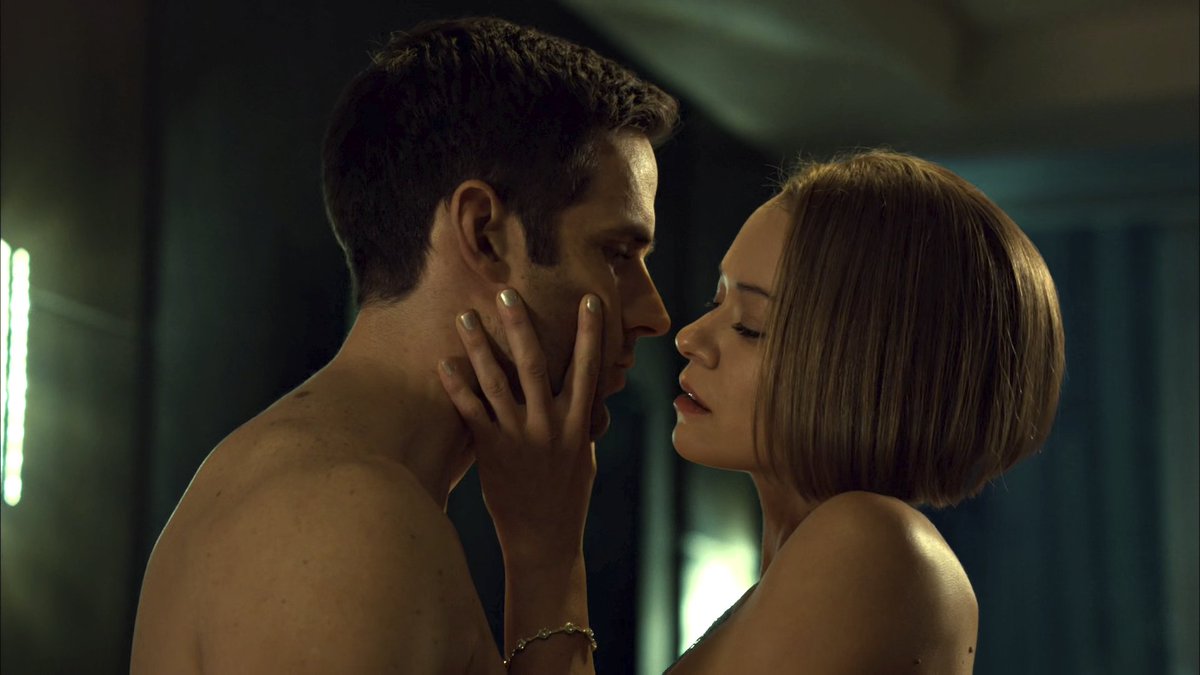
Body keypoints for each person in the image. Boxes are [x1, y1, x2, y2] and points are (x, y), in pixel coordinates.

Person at [130, 17, 677, 674]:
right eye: (616, 253)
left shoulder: (322, 492)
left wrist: (546, 552)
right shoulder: (346, 525)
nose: (654, 315)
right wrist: (549, 567)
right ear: (483, 233)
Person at [439, 149, 1066, 673]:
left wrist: (545, 549)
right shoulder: (807, 569)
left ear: (875, 368)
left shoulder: (870, 542)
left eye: (751, 326)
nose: (690, 338)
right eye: (717, 302)